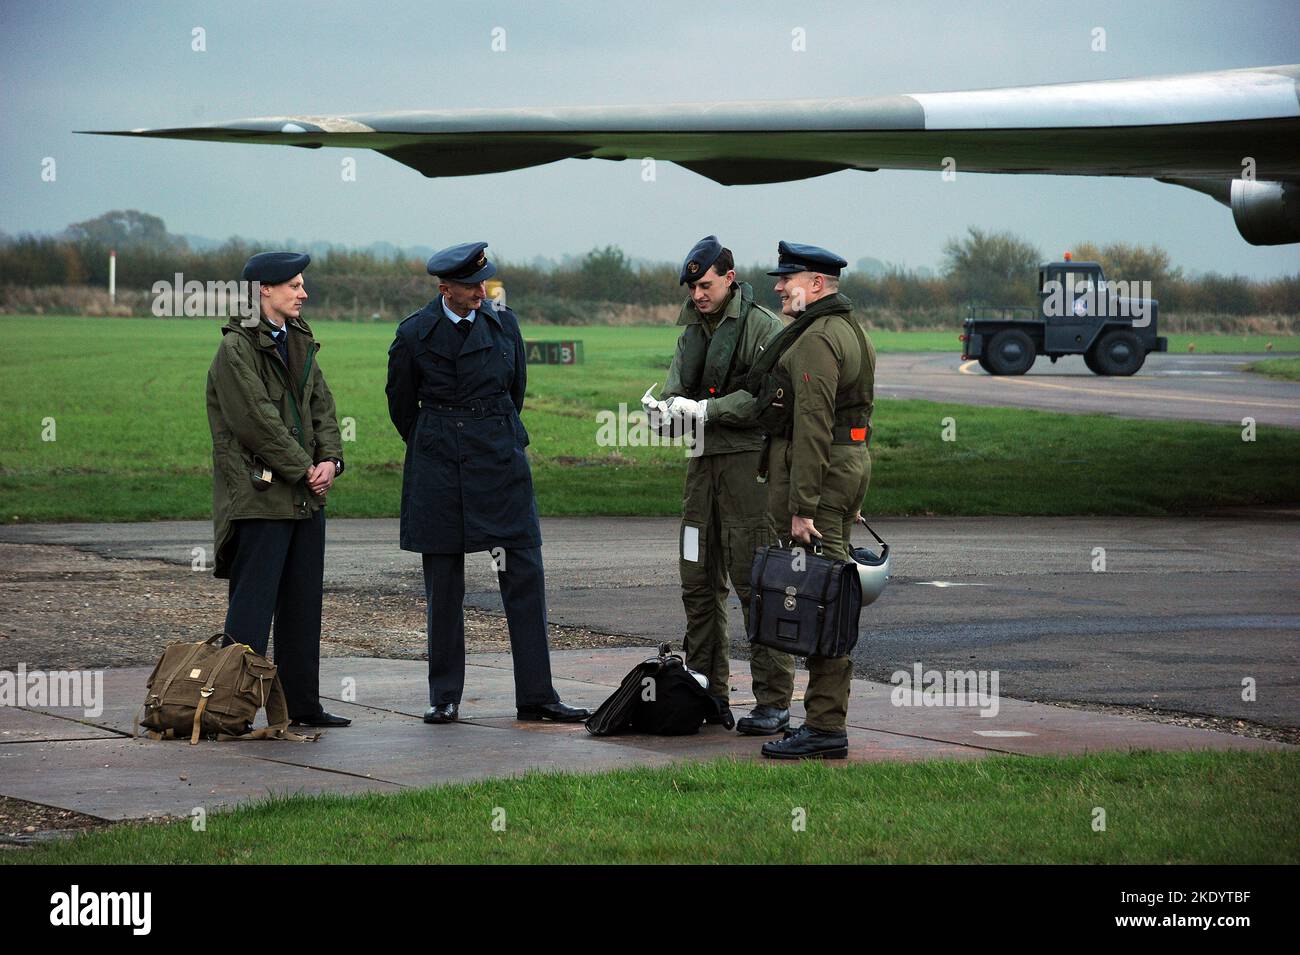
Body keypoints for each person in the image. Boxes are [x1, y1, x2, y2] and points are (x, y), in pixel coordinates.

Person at [385, 241, 590, 725]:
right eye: (471, 285)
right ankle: (444, 696)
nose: (482, 290)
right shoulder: (414, 334)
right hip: (438, 468)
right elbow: (401, 407)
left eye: (484, 281)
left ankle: (538, 696)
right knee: (443, 586)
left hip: (499, 464)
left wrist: (492, 434)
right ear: (445, 288)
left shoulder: (505, 324)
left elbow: (514, 390)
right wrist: (437, 440)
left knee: (524, 576)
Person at [643, 236, 786, 732]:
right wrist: (666, 412)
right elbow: (677, 387)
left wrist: (708, 410)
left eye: (705, 285)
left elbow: (765, 397)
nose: (697, 294)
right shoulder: (692, 331)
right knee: (698, 584)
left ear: (729, 277)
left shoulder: (762, 327)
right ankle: (706, 692)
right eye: (691, 287)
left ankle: (773, 701)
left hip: (748, 467)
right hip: (700, 466)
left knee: (756, 583)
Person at [206, 251, 350, 728]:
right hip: (260, 498)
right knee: (250, 615)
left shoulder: (302, 340)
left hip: (305, 497)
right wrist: (304, 469)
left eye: (302, 285)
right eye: (294, 285)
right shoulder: (235, 349)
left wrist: (331, 461)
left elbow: (323, 409)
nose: (303, 293)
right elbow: (254, 422)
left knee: (303, 609)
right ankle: (231, 709)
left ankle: (301, 708)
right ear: (263, 290)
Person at [752, 241, 875, 759]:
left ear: (817, 285)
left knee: (824, 600)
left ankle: (825, 726)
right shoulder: (848, 329)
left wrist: (804, 505)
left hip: (821, 484)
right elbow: (854, 421)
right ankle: (822, 722)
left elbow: (813, 426)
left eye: (790, 278)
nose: (779, 286)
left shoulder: (818, 339)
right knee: (830, 594)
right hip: (840, 476)